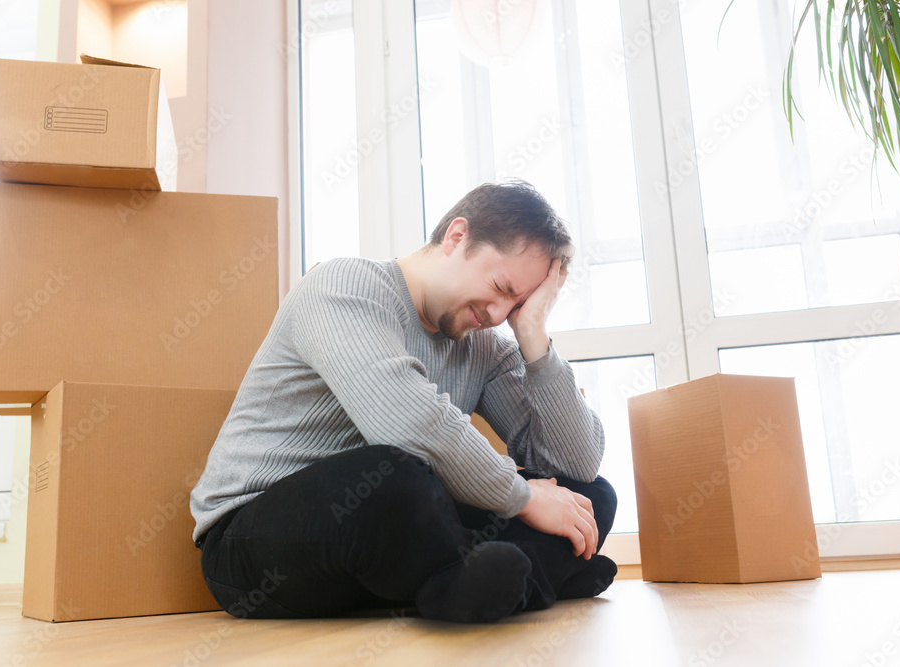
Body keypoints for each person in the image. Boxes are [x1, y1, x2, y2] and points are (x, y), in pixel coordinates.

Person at [189, 180, 618, 624]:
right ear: (457, 237)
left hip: (389, 543)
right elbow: (410, 427)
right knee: (390, 473)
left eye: (515, 306)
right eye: (500, 287)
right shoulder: (343, 286)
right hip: (252, 542)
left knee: (587, 495)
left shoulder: (484, 345)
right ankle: (536, 577)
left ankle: (477, 584)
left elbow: (577, 463)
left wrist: (533, 335)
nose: (495, 314)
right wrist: (524, 497)